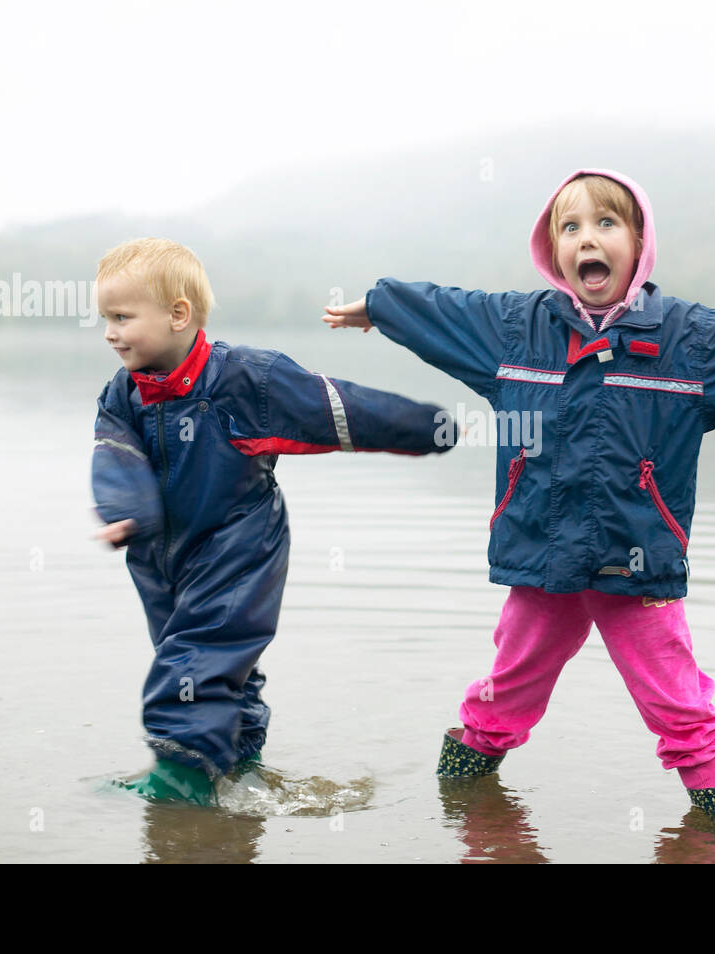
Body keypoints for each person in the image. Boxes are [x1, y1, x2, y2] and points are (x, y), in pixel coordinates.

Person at [322, 169, 715, 830]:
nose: (587, 238)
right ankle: (463, 811)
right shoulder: (515, 331)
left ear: (639, 242)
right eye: (571, 227)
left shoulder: (688, 343)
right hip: (546, 563)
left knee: (682, 707)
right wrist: (381, 306)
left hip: (637, 566)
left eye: (605, 223)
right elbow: (443, 309)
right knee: (505, 695)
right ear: (554, 251)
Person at [91, 237, 456, 806]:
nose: (110, 333)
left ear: (178, 315)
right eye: (105, 319)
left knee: (202, 650)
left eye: (121, 317)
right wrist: (124, 513)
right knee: (188, 654)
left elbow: (337, 407)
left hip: (239, 544)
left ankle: (182, 776)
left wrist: (426, 427)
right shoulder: (123, 393)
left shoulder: (245, 379)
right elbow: (116, 453)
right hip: (159, 553)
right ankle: (238, 762)